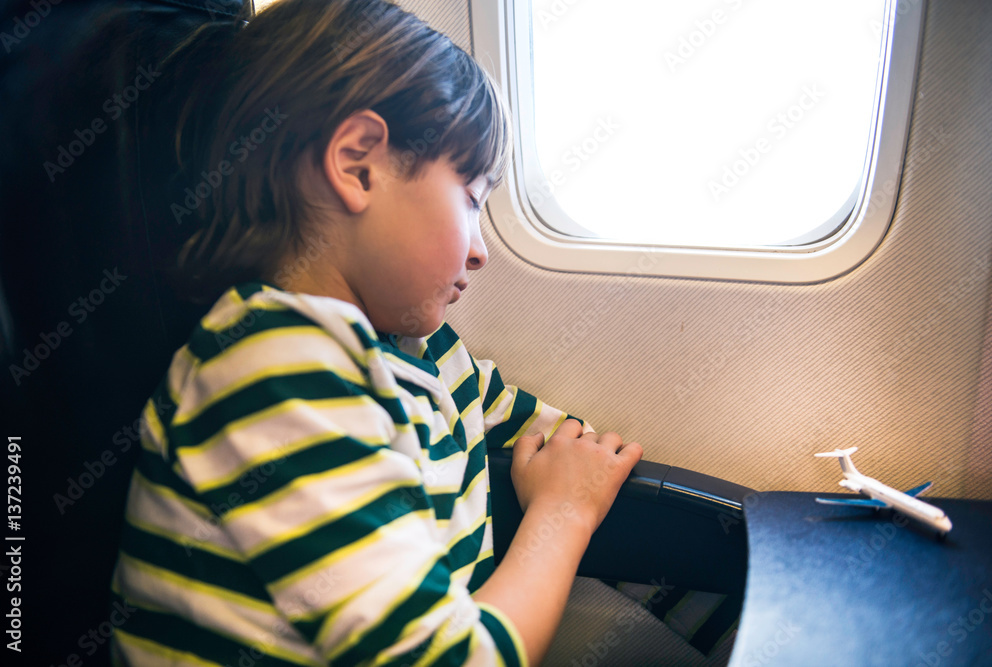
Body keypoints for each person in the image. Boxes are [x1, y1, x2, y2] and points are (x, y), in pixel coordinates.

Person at [110, 1, 734, 665]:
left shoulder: (429, 353)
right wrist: (561, 516)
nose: (481, 251)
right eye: (470, 198)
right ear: (358, 164)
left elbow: (570, 455)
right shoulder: (272, 371)